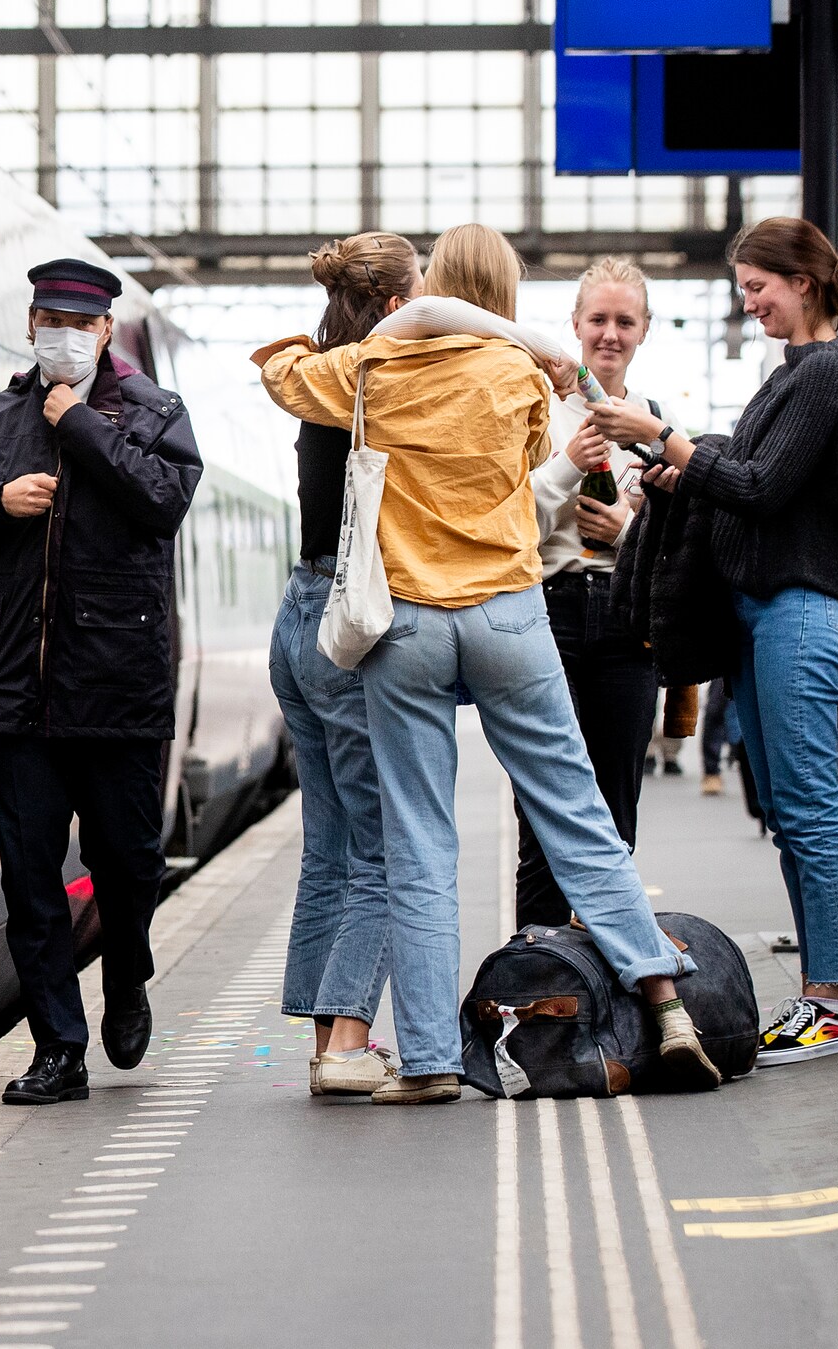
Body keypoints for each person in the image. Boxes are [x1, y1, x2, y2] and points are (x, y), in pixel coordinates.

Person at [257, 223, 718, 1104]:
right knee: (580, 815)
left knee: (421, 840)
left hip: (409, 625)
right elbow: (537, 448)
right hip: (511, 612)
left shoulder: (368, 372)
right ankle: (664, 1003)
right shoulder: (517, 374)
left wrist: (398, 329)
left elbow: (279, 368)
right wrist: (512, 340)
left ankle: (430, 1060)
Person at [0, 258, 203, 1105]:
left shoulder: (155, 415)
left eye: (79, 321)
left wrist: (80, 429)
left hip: (120, 690)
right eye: (47, 318)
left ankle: (128, 976)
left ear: (106, 331)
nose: (61, 334)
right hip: (17, 695)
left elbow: (164, 499)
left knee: (129, 864)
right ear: (30, 324)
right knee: (31, 877)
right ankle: (58, 1049)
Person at [591, 217, 838, 1064]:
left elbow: (758, 486)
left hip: (802, 610)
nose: (749, 302)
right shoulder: (801, 375)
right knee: (793, 811)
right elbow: (772, 483)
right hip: (774, 610)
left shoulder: (829, 372)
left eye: (758, 286)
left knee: (809, 808)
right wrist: (689, 469)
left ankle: (831, 1001)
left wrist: (660, 438)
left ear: (802, 280)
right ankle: (821, 994)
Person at [270, 233, 414, 1098]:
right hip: (347, 629)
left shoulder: (318, 374)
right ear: (398, 306)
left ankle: (329, 1041)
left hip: (296, 614)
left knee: (328, 845)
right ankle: (351, 1037)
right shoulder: (379, 383)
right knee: (389, 848)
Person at [514, 257, 662, 927]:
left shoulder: (654, 421)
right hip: (549, 609)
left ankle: (610, 980)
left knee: (617, 809)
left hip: (627, 622)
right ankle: (537, 987)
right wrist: (562, 487)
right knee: (544, 813)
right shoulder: (539, 411)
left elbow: (671, 537)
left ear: (644, 330)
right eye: (598, 319)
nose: (610, 333)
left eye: (624, 320)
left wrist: (628, 528)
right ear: (574, 325)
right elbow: (506, 519)